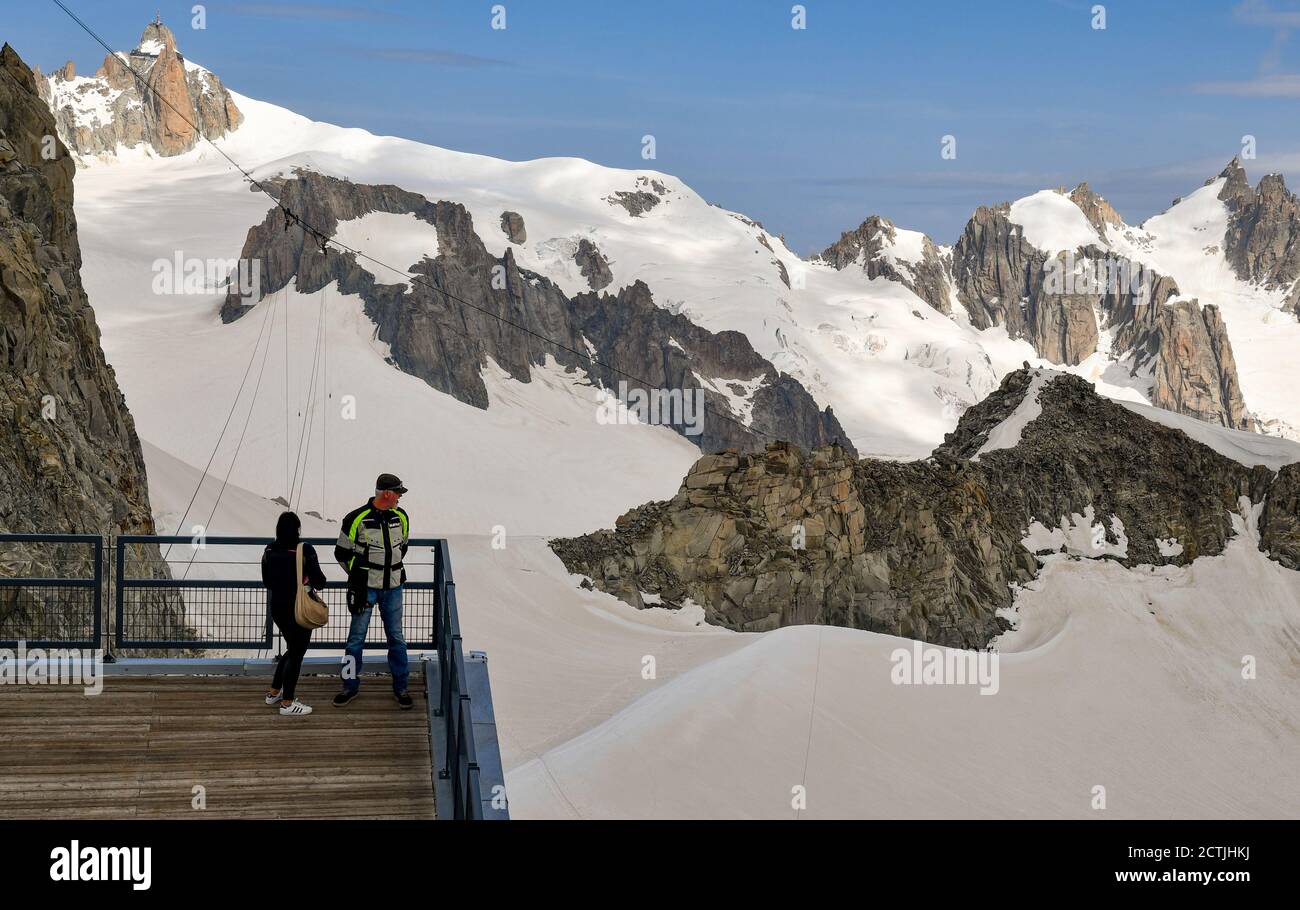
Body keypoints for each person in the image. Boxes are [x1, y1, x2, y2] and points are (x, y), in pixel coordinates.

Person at [332, 473, 413, 709]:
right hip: (366, 589)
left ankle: (402, 688)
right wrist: (358, 576)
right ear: (387, 494)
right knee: (355, 640)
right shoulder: (356, 518)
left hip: (394, 588)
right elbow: (341, 553)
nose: (400, 497)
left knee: (397, 639)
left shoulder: (402, 517)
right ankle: (349, 686)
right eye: (398, 492)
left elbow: (402, 547)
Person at [261, 511, 327, 716]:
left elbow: (267, 581)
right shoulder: (304, 549)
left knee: (292, 649)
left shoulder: (269, 549)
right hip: (299, 609)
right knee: (297, 654)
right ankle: (287, 703)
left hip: (278, 608)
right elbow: (320, 581)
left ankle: (274, 693)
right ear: (298, 529)